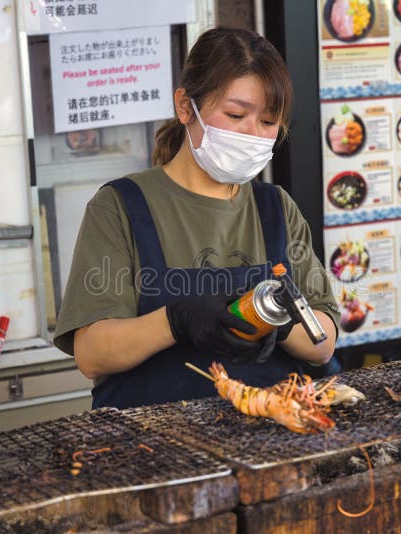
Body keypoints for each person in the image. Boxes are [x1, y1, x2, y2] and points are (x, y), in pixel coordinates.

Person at [53, 28, 340, 409]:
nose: (253, 135)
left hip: (273, 440)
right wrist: (176, 321)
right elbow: (91, 355)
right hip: (153, 448)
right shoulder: (120, 207)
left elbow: (323, 346)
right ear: (186, 107)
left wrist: (277, 318)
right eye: (236, 115)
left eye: (269, 122)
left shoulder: (275, 208)